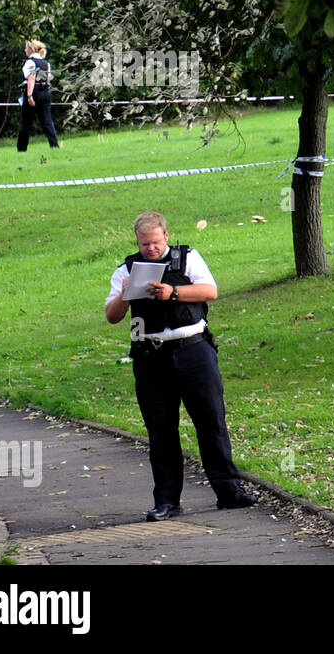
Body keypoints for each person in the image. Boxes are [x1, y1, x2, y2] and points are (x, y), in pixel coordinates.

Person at [104, 211, 258, 520]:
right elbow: (112, 315)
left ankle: (228, 490)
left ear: (166, 234)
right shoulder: (126, 269)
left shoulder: (187, 258)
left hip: (193, 348)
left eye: (155, 243)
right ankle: (167, 501)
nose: (149, 249)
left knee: (211, 420)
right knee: (161, 430)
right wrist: (125, 294)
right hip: (151, 355)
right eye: (144, 244)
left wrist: (172, 293)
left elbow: (210, 291)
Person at [17, 39, 60, 151]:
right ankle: (54, 145)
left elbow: (31, 78)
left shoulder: (30, 62)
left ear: (31, 49)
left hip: (34, 92)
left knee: (25, 123)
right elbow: (48, 79)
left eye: (26, 48)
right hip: (45, 92)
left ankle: (22, 149)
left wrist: (30, 95)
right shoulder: (46, 63)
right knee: (47, 121)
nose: (25, 50)